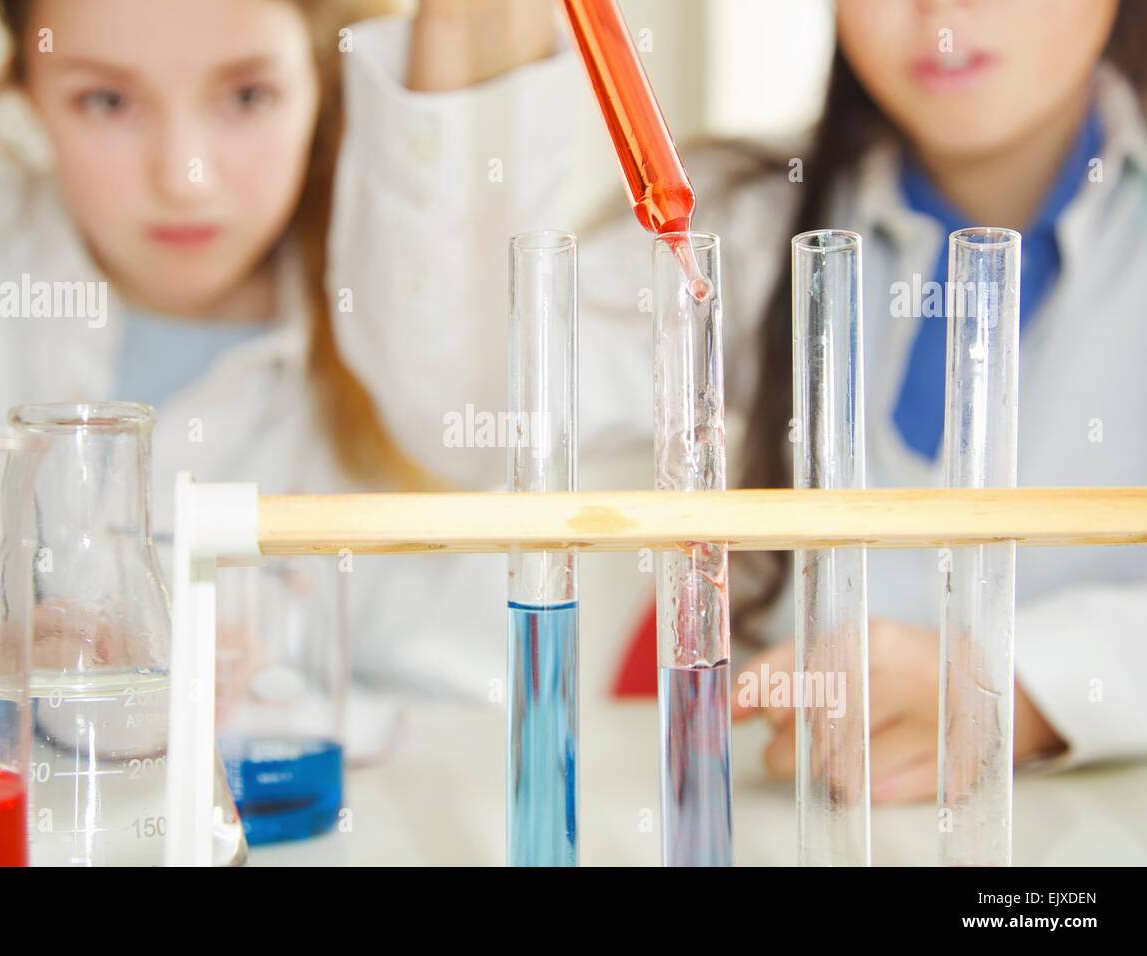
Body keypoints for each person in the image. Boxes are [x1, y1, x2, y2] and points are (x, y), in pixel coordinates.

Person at [333, 0, 1147, 801]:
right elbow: (470, 412)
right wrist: (470, 22)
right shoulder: (748, 218)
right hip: (781, 819)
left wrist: (1021, 686)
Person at [0, 0, 562, 701]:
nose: (185, 179)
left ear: (320, 82)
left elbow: (473, 727)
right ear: (25, 92)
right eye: (105, 100)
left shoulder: (438, 358)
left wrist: (274, 710)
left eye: (248, 96)